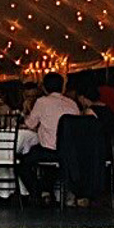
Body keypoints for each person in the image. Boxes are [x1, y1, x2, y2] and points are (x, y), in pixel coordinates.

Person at [18, 72, 80, 202]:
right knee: (49, 163)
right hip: (71, 152)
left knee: (23, 162)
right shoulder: (72, 104)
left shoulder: (42, 102)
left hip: (50, 151)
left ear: (44, 88)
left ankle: (38, 193)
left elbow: (30, 124)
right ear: (62, 87)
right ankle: (46, 191)